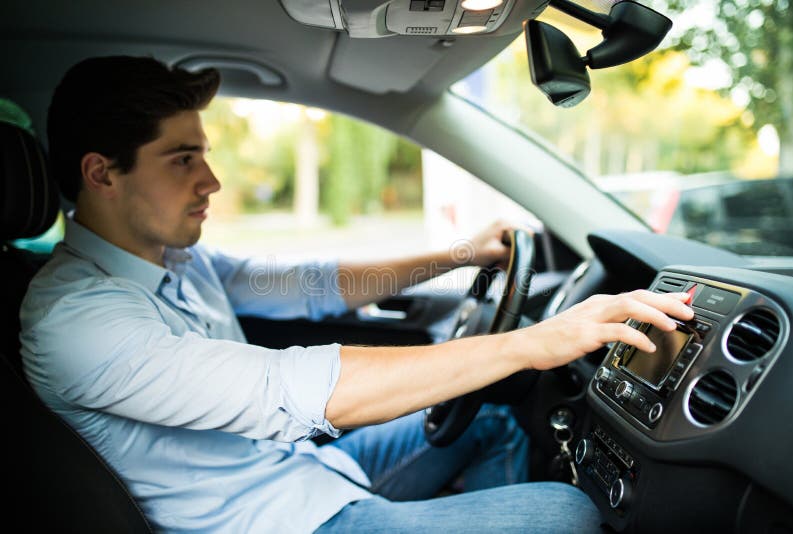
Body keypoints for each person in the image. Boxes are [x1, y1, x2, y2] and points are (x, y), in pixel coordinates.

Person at [19, 56, 694, 533]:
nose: (212, 181)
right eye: (182, 158)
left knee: (484, 419)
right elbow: (286, 387)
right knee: (569, 514)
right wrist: (535, 342)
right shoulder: (76, 318)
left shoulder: (180, 260)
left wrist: (460, 254)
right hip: (270, 521)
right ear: (102, 173)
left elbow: (315, 285)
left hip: (302, 471)